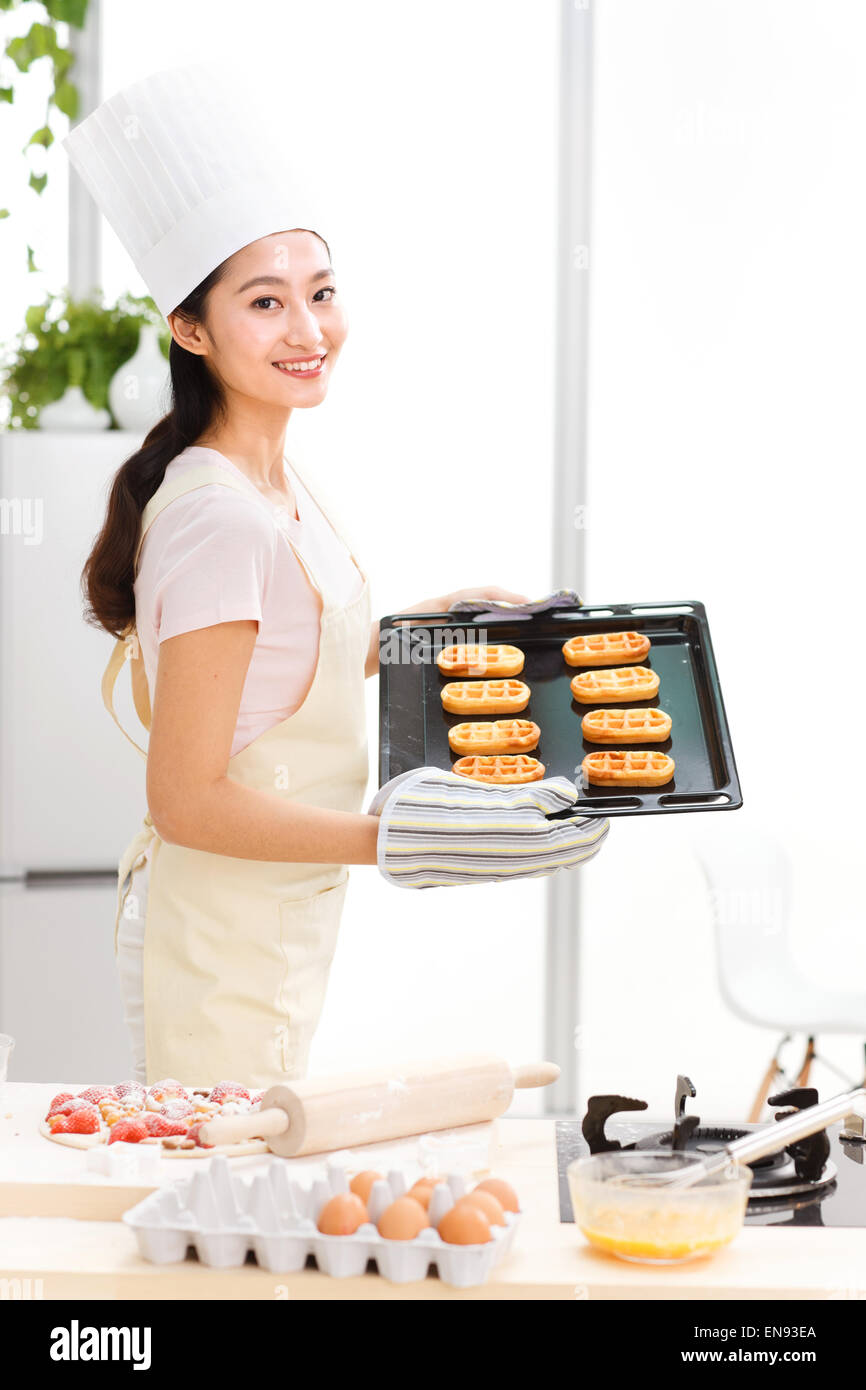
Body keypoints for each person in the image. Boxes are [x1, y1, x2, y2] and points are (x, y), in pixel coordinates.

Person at [64, 62, 609, 1088]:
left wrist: (429, 623)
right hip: (220, 942)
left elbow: (283, 663)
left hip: (272, 913)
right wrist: (398, 838)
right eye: (265, 304)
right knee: (218, 1213)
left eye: (319, 293)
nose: (309, 332)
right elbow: (183, 798)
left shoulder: (272, 473)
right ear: (190, 329)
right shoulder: (219, 516)